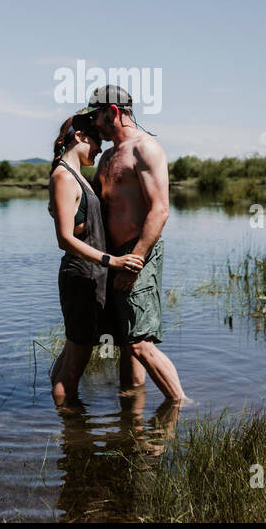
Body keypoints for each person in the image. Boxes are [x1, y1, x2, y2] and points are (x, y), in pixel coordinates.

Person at [79, 85, 186, 401]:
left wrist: (134, 262)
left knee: (140, 341)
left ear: (113, 112)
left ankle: (180, 404)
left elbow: (160, 209)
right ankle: (131, 417)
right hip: (113, 258)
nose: (95, 124)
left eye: (97, 116)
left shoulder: (146, 149)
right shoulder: (110, 156)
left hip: (137, 255)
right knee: (126, 340)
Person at [47, 113, 142, 407]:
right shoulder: (63, 176)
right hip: (80, 277)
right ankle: (69, 433)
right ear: (79, 137)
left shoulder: (78, 177)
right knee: (75, 366)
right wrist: (112, 261)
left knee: (71, 357)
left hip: (91, 277)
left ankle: (63, 423)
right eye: (97, 140)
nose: (100, 147)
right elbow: (64, 239)